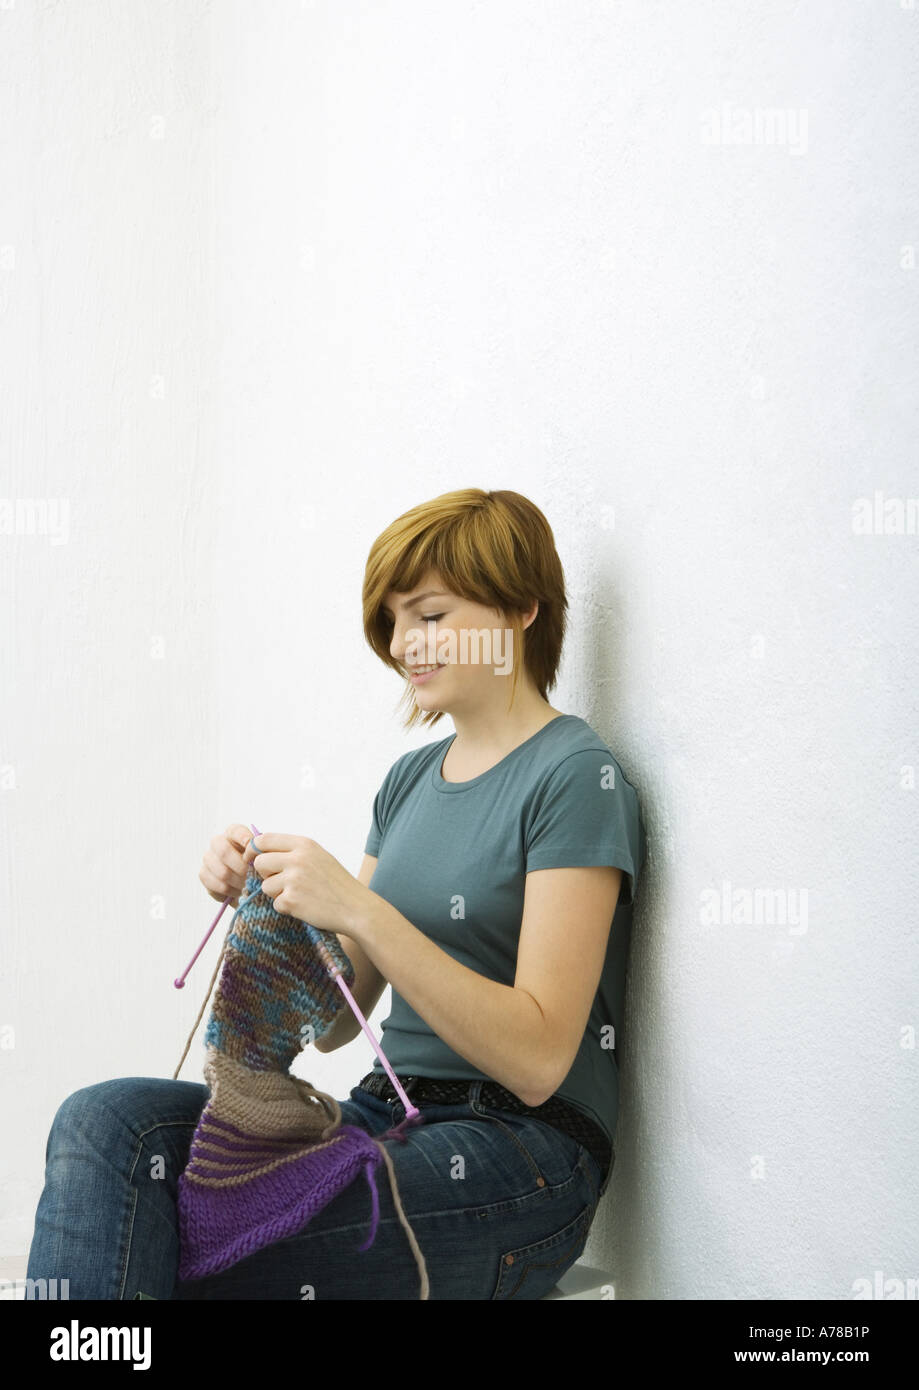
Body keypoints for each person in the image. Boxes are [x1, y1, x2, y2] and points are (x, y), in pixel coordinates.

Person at [26, 486, 645, 1300]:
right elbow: (334, 1017)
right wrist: (275, 898)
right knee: (106, 1122)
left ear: (522, 610)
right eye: (391, 621)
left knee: (187, 1232)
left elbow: (536, 1060)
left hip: (520, 1153)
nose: (402, 644)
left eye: (428, 614)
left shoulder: (574, 776)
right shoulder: (410, 781)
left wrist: (357, 906)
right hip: (384, 1114)